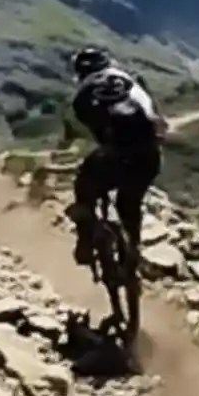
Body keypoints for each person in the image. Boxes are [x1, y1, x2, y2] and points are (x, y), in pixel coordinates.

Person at [65, 46, 169, 268]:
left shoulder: (83, 93)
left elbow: (94, 132)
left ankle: (84, 242)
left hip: (116, 156)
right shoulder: (133, 81)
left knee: (84, 183)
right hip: (149, 156)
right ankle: (133, 249)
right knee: (130, 202)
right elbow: (159, 120)